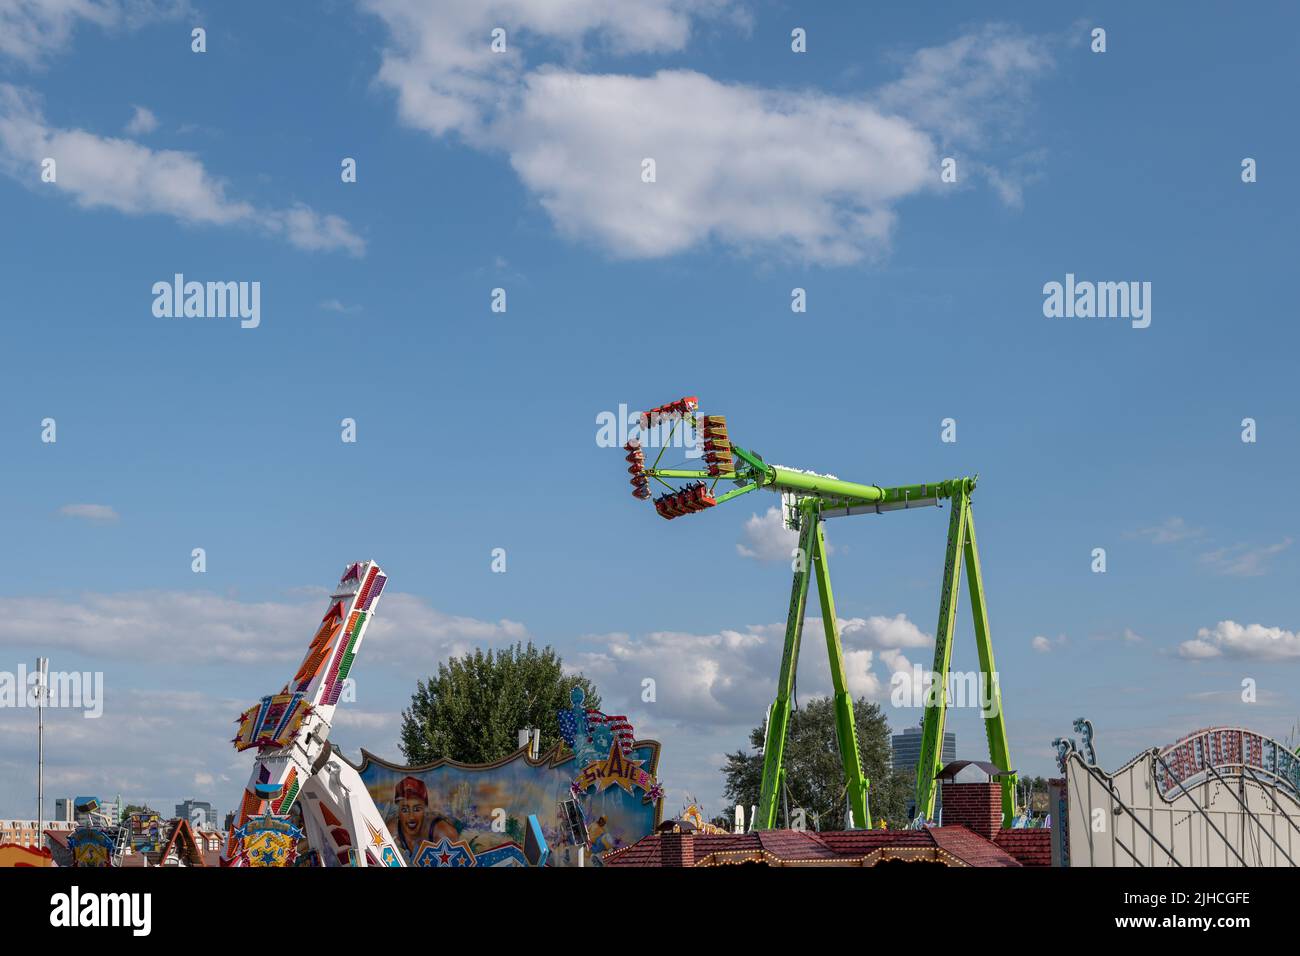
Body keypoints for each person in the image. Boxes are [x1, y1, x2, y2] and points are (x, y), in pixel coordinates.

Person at [385, 775, 459, 864]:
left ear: (425, 810)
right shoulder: (392, 831)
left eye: (417, 809)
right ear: (398, 812)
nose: (411, 817)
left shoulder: (443, 832)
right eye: (405, 810)